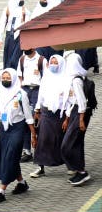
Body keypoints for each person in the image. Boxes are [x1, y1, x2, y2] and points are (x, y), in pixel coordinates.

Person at [0, 69, 34, 204]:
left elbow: (27, 114)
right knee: (7, 156)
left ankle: (1, 191)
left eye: (8, 78)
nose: (5, 80)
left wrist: (33, 135)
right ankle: (22, 183)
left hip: (17, 128)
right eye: (4, 78)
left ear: (13, 79)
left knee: (10, 156)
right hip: (4, 128)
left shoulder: (20, 94)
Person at [30, 55, 67, 179]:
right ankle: (41, 167)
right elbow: (41, 94)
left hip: (60, 113)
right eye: (52, 62)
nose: (53, 65)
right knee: (43, 139)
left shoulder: (66, 78)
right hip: (46, 113)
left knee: (63, 139)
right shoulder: (46, 77)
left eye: (56, 63)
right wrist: (37, 109)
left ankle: (70, 165)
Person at [60, 53, 91, 186]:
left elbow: (82, 101)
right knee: (76, 144)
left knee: (66, 146)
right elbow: (71, 101)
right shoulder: (72, 79)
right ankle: (80, 171)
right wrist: (67, 118)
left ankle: (81, 172)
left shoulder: (76, 80)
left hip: (79, 114)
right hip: (74, 112)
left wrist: (81, 120)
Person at [17, 48, 45, 162]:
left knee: (36, 119)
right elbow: (19, 76)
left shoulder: (41, 60)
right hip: (25, 90)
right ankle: (26, 150)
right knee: (24, 119)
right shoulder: (22, 59)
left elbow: (46, 78)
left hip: (37, 91)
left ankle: (39, 149)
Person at [0, 0, 28, 70]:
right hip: (9, 36)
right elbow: (1, 25)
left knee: (15, 59)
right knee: (7, 58)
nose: (22, 1)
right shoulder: (7, 10)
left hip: (20, 37)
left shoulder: (25, 11)